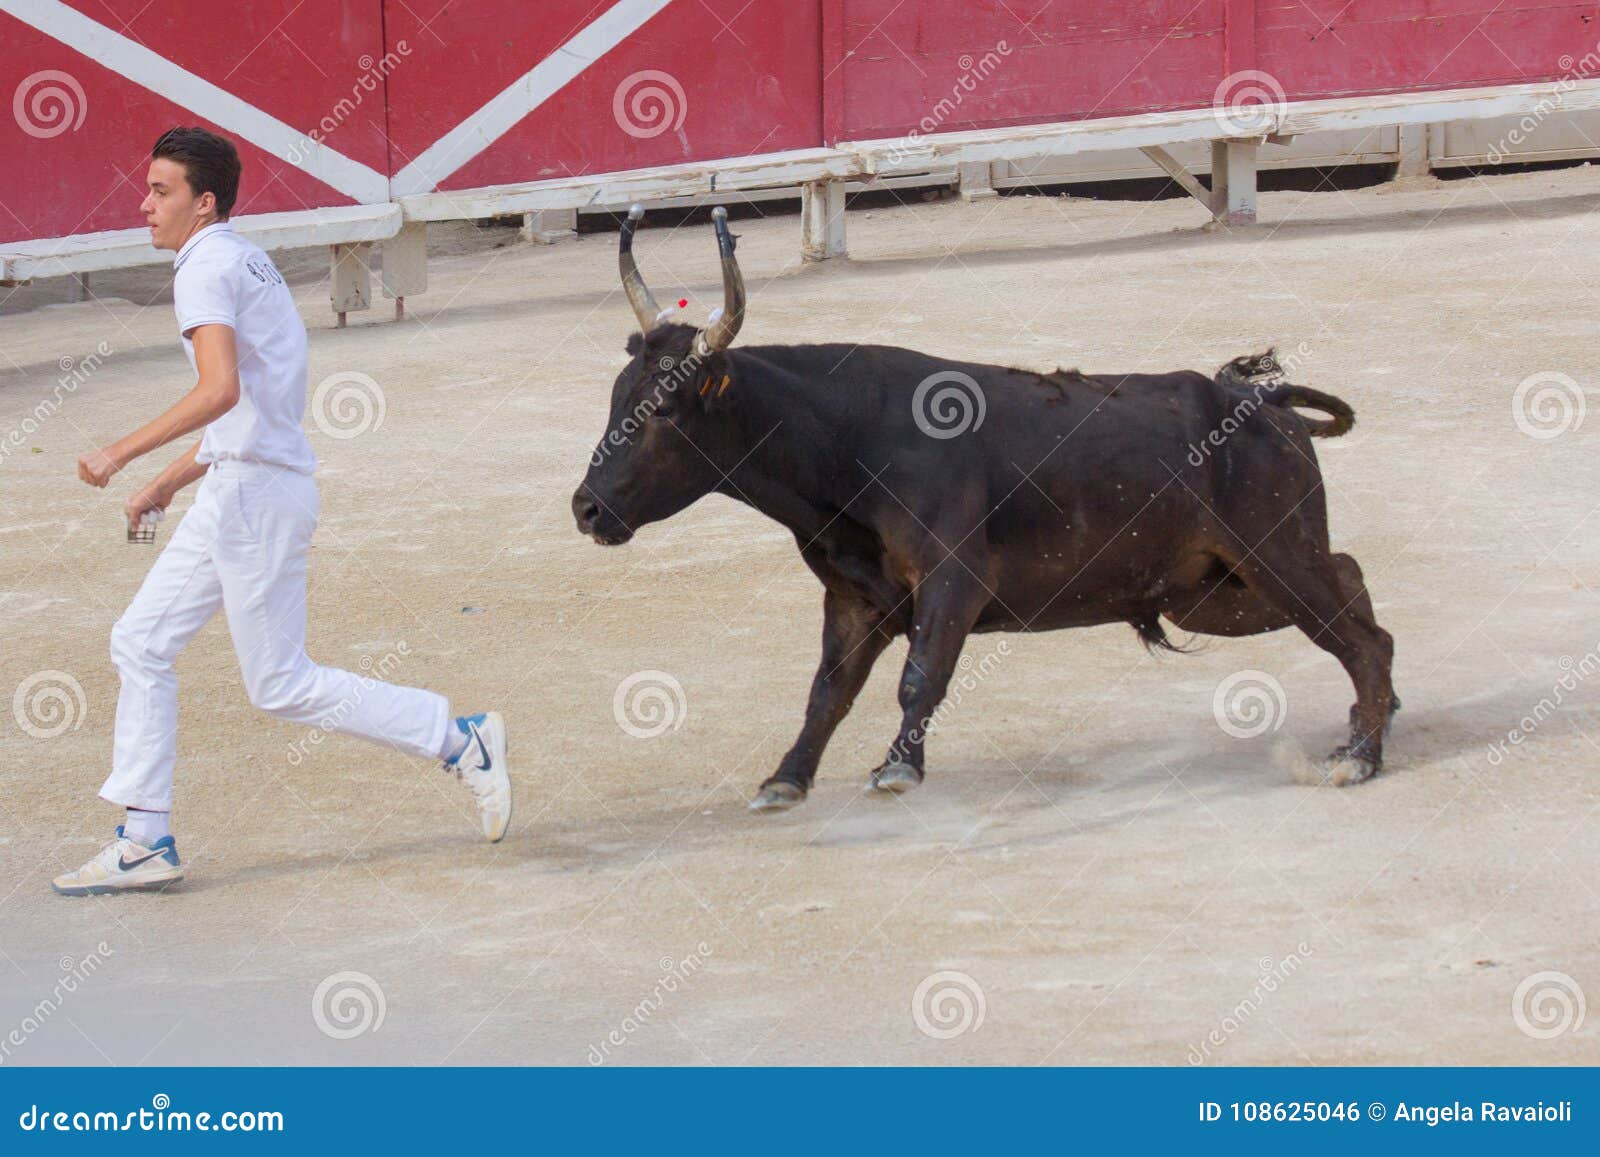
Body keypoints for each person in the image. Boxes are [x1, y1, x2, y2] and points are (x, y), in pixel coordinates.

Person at [53, 127, 511, 896]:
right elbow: (249, 408)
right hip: (242, 486)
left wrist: (119, 452)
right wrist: (170, 480)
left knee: (281, 683)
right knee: (140, 641)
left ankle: (458, 739)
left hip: (256, 496)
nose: (145, 205)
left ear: (203, 203)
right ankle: (144, 839)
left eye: (161, 191)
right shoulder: (242, 258)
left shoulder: (205, 268)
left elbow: (219, 391)